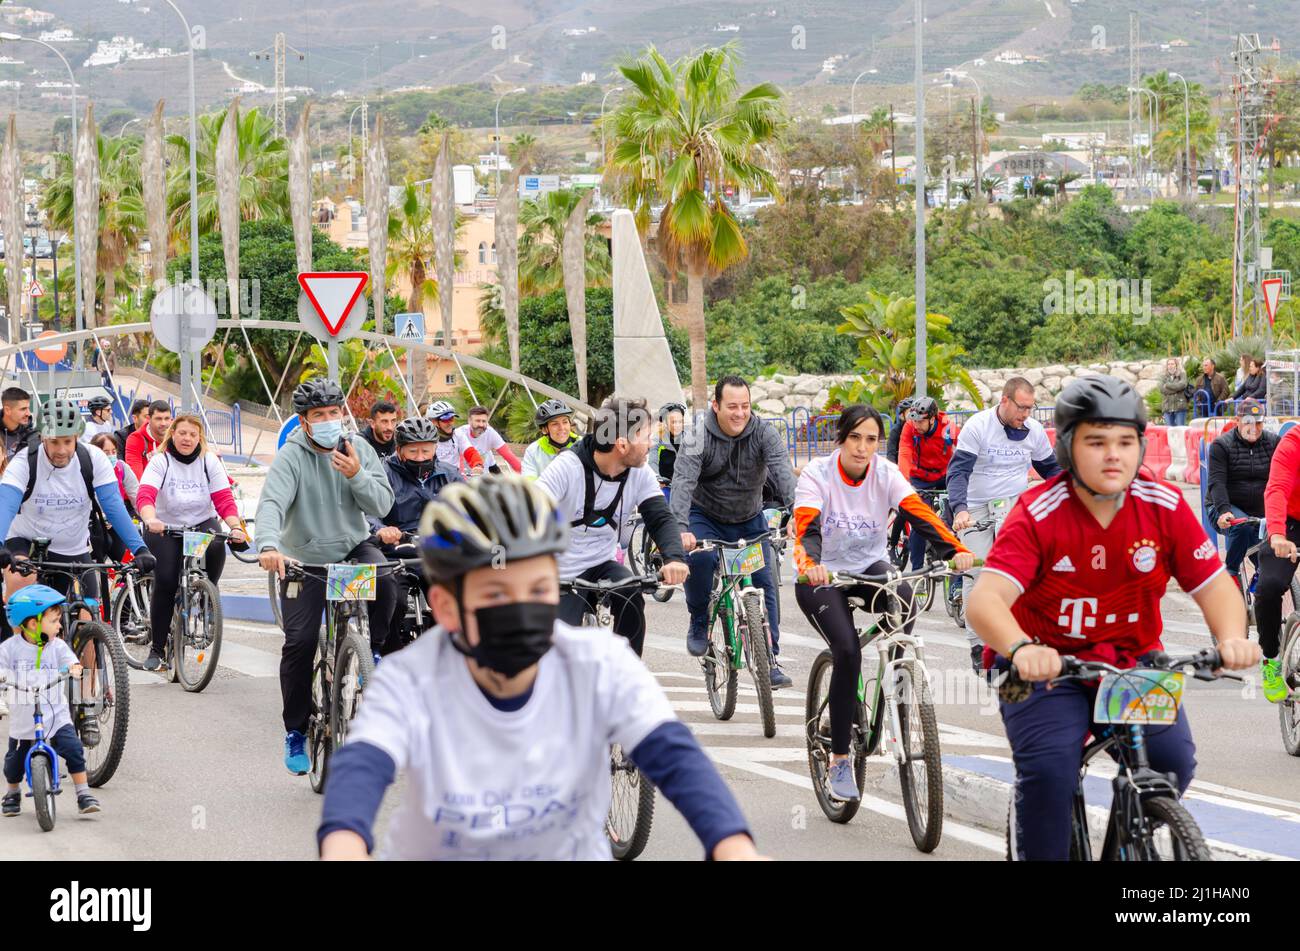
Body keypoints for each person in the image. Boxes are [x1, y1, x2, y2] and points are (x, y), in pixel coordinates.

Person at [316, 474, 760, 860]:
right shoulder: (410, 678)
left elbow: (675, 756)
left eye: (539, 587)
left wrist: (733, 845)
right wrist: (343, 843)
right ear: (446, 607)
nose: (523, 607)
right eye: (497, 594)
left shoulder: (599, 664)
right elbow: (362, 765)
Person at [967, 375, 1258, 861]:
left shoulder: (1161, 505)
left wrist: (1232, 637)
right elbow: (986, 600)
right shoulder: (1038, 512)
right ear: (1066, 448)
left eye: (1126, 442)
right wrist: (1022, 649)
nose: (1113, 455)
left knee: (1171, 765)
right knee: (1050, 772)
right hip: (1041, 667)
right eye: (1096, 441)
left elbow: (1215, 587)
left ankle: (1130, 843)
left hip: (1129, 662)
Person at [793, 405, 972, 802]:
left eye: (871, 439)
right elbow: (808, 529)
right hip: (822, 578)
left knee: (904, 595)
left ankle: (896, 684)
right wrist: (812, 565)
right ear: (840, 438)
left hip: (870, 568)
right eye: (855, 437)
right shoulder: (816, 475)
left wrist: (955, 550)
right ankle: (840, 758)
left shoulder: (886, 473)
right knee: (847, 649)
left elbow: (920, 514)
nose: (862, 448)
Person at [255, 379, 397, 775]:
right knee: (299, 643)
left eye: (335, 413)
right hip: (303, 560)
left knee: (387, 581)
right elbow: (271, 504)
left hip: (351, 547)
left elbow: (384, 504)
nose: (330, 421)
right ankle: (296, 731)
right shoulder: (292, 457)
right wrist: (268, 545)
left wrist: (356, 475)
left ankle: (374, 653)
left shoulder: (358, 449)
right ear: (304, 422)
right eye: (320, 415)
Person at [537, 396, 688, 657]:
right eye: (646, 437)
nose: (651, 444)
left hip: (601, 564)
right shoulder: (566, 468)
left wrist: (673, 558)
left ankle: (626, 676)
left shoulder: (640, 472)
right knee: (556, 652)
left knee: (632, 598)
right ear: (622, 444)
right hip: (558, 572)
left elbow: (660, 517)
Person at [671, 375, 797, 687]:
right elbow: (683, 482)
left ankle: (770, 659)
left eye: (745, 406)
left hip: (749, 517)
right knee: (699, 561)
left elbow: (783, 472)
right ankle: (699, 619)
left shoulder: (764, 433)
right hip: (706, 515)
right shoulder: (697, 435)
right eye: (732, 406)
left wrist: (798, 513)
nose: (740, 413)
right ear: (715, 406)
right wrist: (680, 528)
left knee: (766, 583)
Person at [947, 377, 1061, 673]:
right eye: (1021, 407)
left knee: (1024, 569)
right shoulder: (978, 426)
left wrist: (1074, 497)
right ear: (1005, 400)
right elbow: (958, 472)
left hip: (1013, 501)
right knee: (977, 572)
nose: (1026, 414)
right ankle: (976, 643)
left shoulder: (1033, 431)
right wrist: (959, 510)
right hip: (975, 504)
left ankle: (1020, 636)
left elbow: (1051, 469)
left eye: (1030, 408)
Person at [136, 414, 247, 671]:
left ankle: (209, 596)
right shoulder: (160, 461)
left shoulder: (209, 461)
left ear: (200, 438)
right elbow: (145, 495)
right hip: (165, 526)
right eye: (182, 433)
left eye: (192, 434)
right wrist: (151, 518)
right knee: (165, 580)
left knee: (217, 543)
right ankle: (157, 649)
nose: (187, 439)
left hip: (200, 522)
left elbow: (223, 499)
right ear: (172, 434)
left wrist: (235, 527)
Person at [1, 585, 101, 817]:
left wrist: (74, 667)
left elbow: (70, 660)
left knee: (74, 750)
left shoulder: (57, 646)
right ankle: (12, 792)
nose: (59, 626)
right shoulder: (10, 649)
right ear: (34, 624)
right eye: (55, 621)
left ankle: (83, 792)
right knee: (13, 764)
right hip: (24, 721)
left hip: (55, 716)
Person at [371, 416, 463, 655]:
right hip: (395, 554)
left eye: (426, 450)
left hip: (436, 553)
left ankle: (445, 651)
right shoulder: (383, 474)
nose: (421, 457)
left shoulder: (450, 474)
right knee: (392, 601)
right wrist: (381, 530)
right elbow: (366, 510)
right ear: (399, 450)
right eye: (414, 451)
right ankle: (390, 653)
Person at [1205, 399, 1278, 585]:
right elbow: (1217, 482)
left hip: (1260, 510)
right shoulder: (1221, 446)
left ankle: (1263, 585)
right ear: (1237, 420)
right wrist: (1223, 511)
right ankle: (1230, 574)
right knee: (1243, 527)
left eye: (1258, 422)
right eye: (1248, 421)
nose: (1253, 427)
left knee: (1268, 559)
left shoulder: (1274, 442)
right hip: (1224, 505)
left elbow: (1283, 480)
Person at [1253, 420, 1300, 703]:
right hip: (1290, 524)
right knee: (1269, 585)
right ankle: (1270, 658)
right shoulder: (1293, 442)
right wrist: (1278, 535)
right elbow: (1277, 489)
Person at [896, 396, 958, 570]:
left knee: (954, 517)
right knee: (919, 521)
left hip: (944, 475)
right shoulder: (910, 427)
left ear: (932, 418)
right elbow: (905, 452)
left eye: (921, 422)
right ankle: (917, 570)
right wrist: (904, 480)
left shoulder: (948, 427)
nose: (917, 426)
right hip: (920, 478)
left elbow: (963, 451)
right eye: (914, 421)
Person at [88, 434, 139, 560]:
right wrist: (103, 518)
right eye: (106, 452)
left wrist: (147, 515)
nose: (111, 455)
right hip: (94, 521)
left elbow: (135, 493)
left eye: (113, 451)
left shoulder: (121, 467)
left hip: (115, 518)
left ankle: (117, 578)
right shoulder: (88, 468)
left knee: (122, 556)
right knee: (103, 546)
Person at [455, 406, 522, 475]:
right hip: (461, 477)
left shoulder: (491, 433)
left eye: (484, 421)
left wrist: (527, 476)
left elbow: (509, 456)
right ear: (469, 421)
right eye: (477, 421)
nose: (481, 424)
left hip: (482, 478)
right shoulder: (459, 433)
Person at [521, 399, 578, 479]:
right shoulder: (533, 451)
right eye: (555, 424)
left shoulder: (583, 445)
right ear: (544, 429)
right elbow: (529, 484)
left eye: (565, 422)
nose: (562, 428)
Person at [425, 401, 484, 476]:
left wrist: (477, 465)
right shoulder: (426, 439)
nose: (450, 423)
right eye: (446, 420)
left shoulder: (458, 434)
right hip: (434, 478)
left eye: (452, 418)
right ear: (434, 422)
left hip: (454, 477)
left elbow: (470, 452)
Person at [124, 400, 172, 480]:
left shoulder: (177, 435)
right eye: (158, 419)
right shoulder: (136, 439)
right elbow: (136, 477)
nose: (163, 423)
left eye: (167, 418)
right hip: (148, 487)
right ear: (149, 419)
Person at [649, 401, 687, 494]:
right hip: (666, 486)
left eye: (680, 421)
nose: (678, 425)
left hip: (687, 487)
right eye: (674, 422)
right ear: (665, 423)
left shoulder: (689, 439)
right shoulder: (658, 440)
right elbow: (652, 462)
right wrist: (657, 478)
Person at [0, 387, 33, 459]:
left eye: (28, 408)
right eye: (23, 409)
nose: (29, 413)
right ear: (7, 410)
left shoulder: (29, 432)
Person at [885, 396, 917, 465]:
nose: (912, 416)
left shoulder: (919, 428)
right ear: (902, 416)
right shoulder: (896, 431)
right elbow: (890, 454)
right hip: (900, 466)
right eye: (909, 413)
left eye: (914, 413)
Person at [1159, 357, 1189, 427]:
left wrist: (1167, 385)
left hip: (1180, 407)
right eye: (1168, 364)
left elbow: (1183, 385)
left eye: (1172, 364)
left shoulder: (1182, 374)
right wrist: (1177, 389)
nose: (1170, 366)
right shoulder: (1163, 376)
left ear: (1176, 365)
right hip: (1167, 407)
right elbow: (1162, 389)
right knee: (1169, 431)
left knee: (1180, 430)